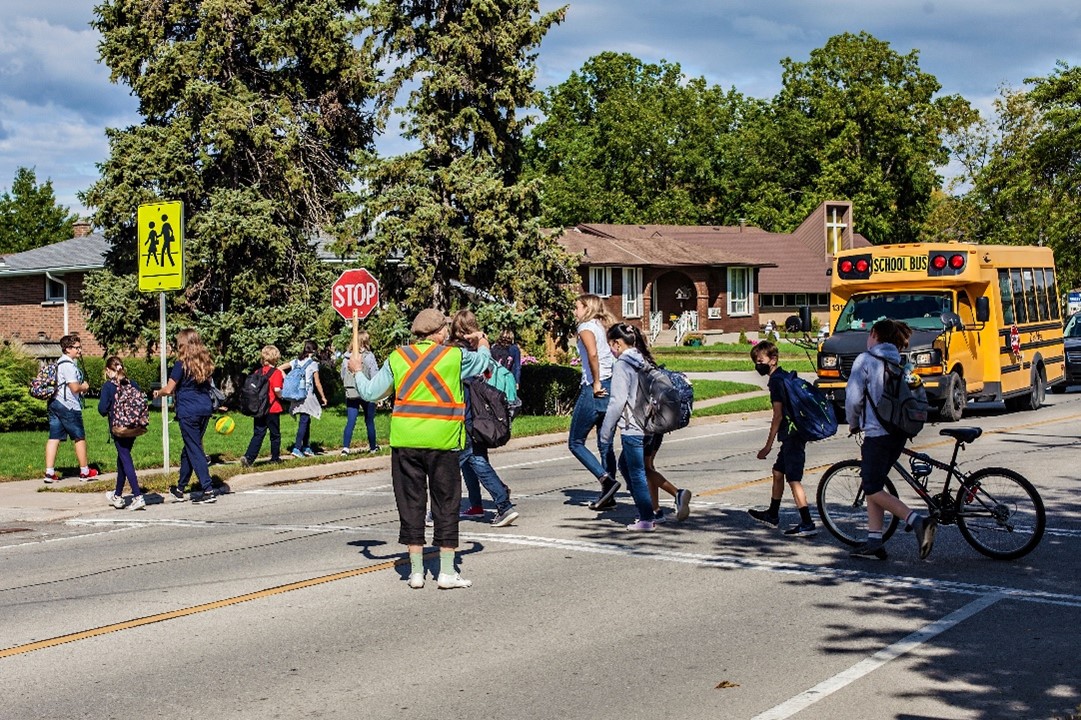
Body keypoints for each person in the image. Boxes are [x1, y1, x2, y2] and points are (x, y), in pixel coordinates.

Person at [348, 308, 492, 590]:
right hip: (443, 441)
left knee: (411, 504)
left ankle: (415, 573)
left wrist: (357, 372)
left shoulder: (398, 357)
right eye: (445, 329)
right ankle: (447, 573)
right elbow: (485, 363)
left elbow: (370, 393)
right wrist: (483, 341)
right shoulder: (454, 356)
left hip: (406, 441)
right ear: (440, 332)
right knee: (446, 504)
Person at [846, 319, 937, 560]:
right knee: (873, 484)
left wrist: (853, 423)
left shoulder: (865, 360)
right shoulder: (899, 363)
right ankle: (874, 540)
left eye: (869, 333)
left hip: (877, 435)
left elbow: (854, 399)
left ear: (874, 334)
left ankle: (916, 520)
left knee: (873, 487)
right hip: (898, 433)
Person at [449, 310, 519, 527]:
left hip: (463, 414)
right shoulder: (478, 348)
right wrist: (481, 340)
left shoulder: (457, 353)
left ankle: (438, 511)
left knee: (452, 463)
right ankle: (484, 504)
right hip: (480, 414)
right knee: (474, 459)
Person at [747, 340, 818, 537]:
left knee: (793, 479)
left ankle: (807, 522)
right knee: (778, 472)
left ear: (773, 360)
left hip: (792, 436)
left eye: (760, 360)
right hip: (792, 435)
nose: (757, 364)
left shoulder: (777, 382)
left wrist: (768, 446)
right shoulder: (783, 376)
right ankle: (772, 513)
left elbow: (777, 415)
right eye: (755, 361)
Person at [598, 323, 662, 531]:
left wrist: (605, 433)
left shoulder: (622, 365)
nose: (610, 350)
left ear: (617, 344)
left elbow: (617, 401)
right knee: (625, 465)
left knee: (636, 473)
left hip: (633, 426)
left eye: (610, 345)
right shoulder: (642, 360)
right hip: (650, 424)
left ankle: (646, 518)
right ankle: (648, 510)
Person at [153, 328, 218, 503]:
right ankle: (180, 488)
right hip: (205, 408)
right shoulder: (205, 362)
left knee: (195, 449)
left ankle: (207, 488)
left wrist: (158, 392)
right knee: (189, 449)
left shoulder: (180, 365)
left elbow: (169, 389)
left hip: (188, 411)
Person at [568, 293, 619, 510]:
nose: (575, 311)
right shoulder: (603, 325)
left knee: (575, 442)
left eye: (577, 307)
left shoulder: (586, 327)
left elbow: (593, 354)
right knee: (604, 442)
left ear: (586, 308)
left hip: (594, 388)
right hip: (611, 385)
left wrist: (596, 382)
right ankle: (609, 495)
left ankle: (605, 480)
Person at [43, 334, 99, 483]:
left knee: (54, 437)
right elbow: (74, 388)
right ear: (67, 349)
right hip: (68, 405)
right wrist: (84, 387)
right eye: (76, 347)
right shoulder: (67, 365)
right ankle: (85, 471)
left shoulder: (61, 363)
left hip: (55, 403)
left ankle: (49, 472)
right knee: (79, 437)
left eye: (80, 347)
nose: (80, 350)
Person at [97, 356, 146, 510]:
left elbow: (102, 410)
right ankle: (117, 496)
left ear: (108, 370)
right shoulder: (133, 384)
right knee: (122, 460)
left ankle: (138, 496)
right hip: (133, 427)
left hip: (118, 428)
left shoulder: (109, 386)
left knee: (125, 458)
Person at [280, 340, 327, 458]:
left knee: (306, 420)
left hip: (295, 395)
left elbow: (279, 368)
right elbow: (317, 383)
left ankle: (306, 446)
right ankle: (297, 448)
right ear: (314, 351)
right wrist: (323, 397)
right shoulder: (313, 364)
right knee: (304, 421)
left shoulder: (295, 361)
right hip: (307, 396)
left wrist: (287, 379)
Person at [240, 345, 285, 466]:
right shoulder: (276, 373)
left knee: (258, 433)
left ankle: (249, 458)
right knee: (275, 434)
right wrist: (282, 396)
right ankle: (275, 458)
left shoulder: (257, 372)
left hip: (259, 408)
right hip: (272, 408)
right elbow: (276, 389)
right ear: (275, 357)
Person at [341, 332, 379, 455]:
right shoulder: (369, 356)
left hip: (351, 392)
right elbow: (375, 375)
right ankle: (373, 447)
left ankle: (345, 448)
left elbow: (342, 375)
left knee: (351, 421)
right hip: (367, 392)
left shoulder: (347, 357)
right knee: (369, 421)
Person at [644, 434, 692, 523]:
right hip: (656, 428)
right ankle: (655, 510)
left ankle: (677, 493)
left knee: (644, 467)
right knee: (648, 466)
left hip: (644, 429)